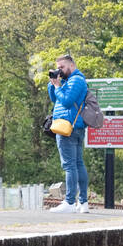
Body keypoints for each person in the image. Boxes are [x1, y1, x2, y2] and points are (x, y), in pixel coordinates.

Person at [48, 54, 90, 213]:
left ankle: (70, 202)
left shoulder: (77, 80)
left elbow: (65, 101)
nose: (60, 70)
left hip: (68, 127)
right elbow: (54, 99)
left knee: (70, 165)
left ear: (71, 66)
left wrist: (59, 86)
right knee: (78, 164)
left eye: (62, 67)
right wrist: (53, 83)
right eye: (57, 68)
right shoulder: (67, 81)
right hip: (72, 127)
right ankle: (83, 202)